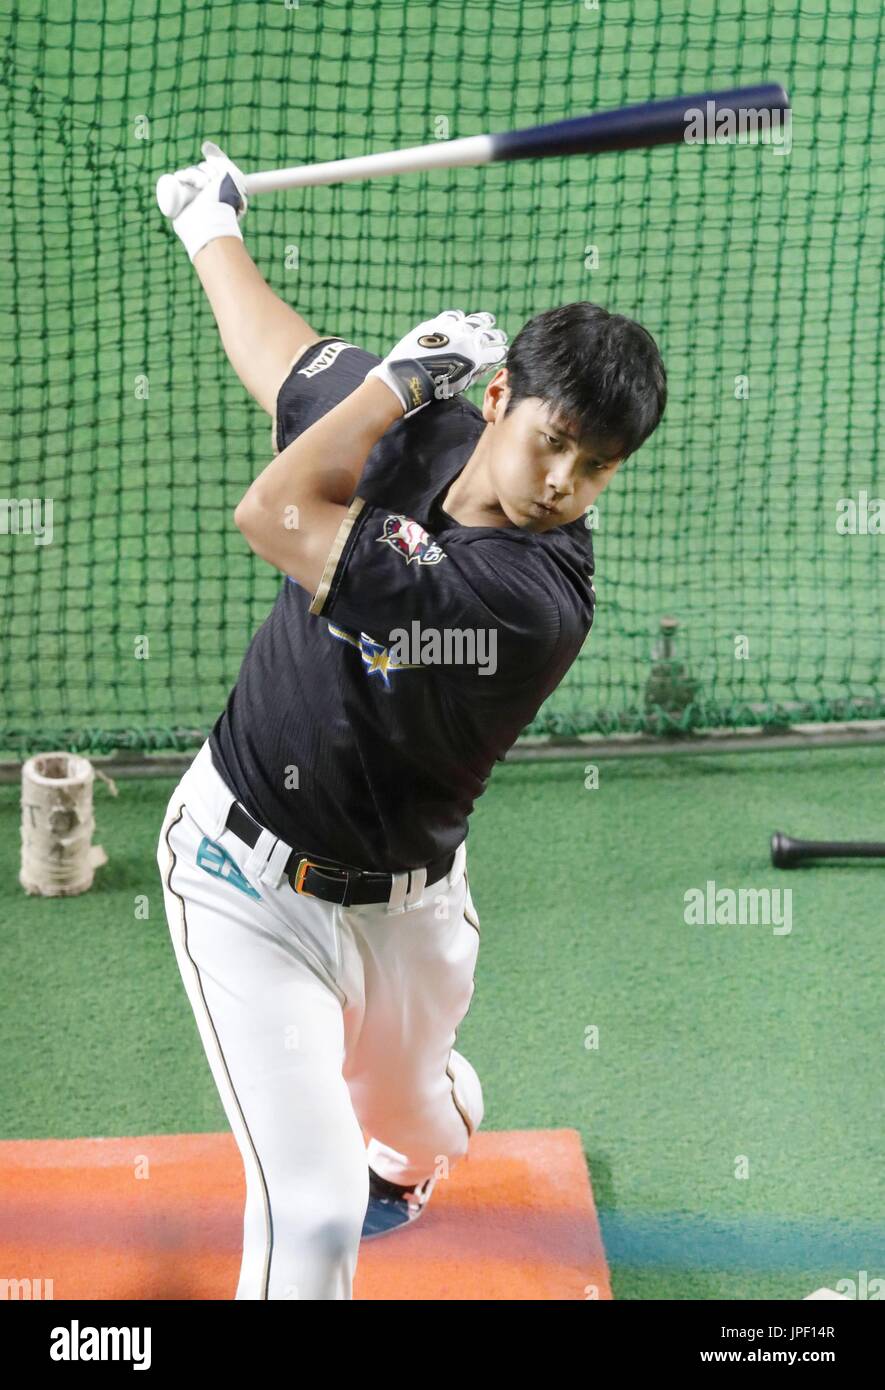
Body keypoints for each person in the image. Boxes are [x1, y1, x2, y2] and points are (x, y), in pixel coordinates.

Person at [155, 143, 667, 1300]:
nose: (562, 482)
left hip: (408, 914)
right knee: (315, 1212)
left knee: (425, 1127)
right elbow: (279, 357)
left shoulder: (531, 606)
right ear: (497, 400)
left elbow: (273, 509)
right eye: (552, 442)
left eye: (597, 469)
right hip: (244, 875)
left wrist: (391, 381)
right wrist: (207, 225)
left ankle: (418, 1142)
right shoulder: (421, 424)